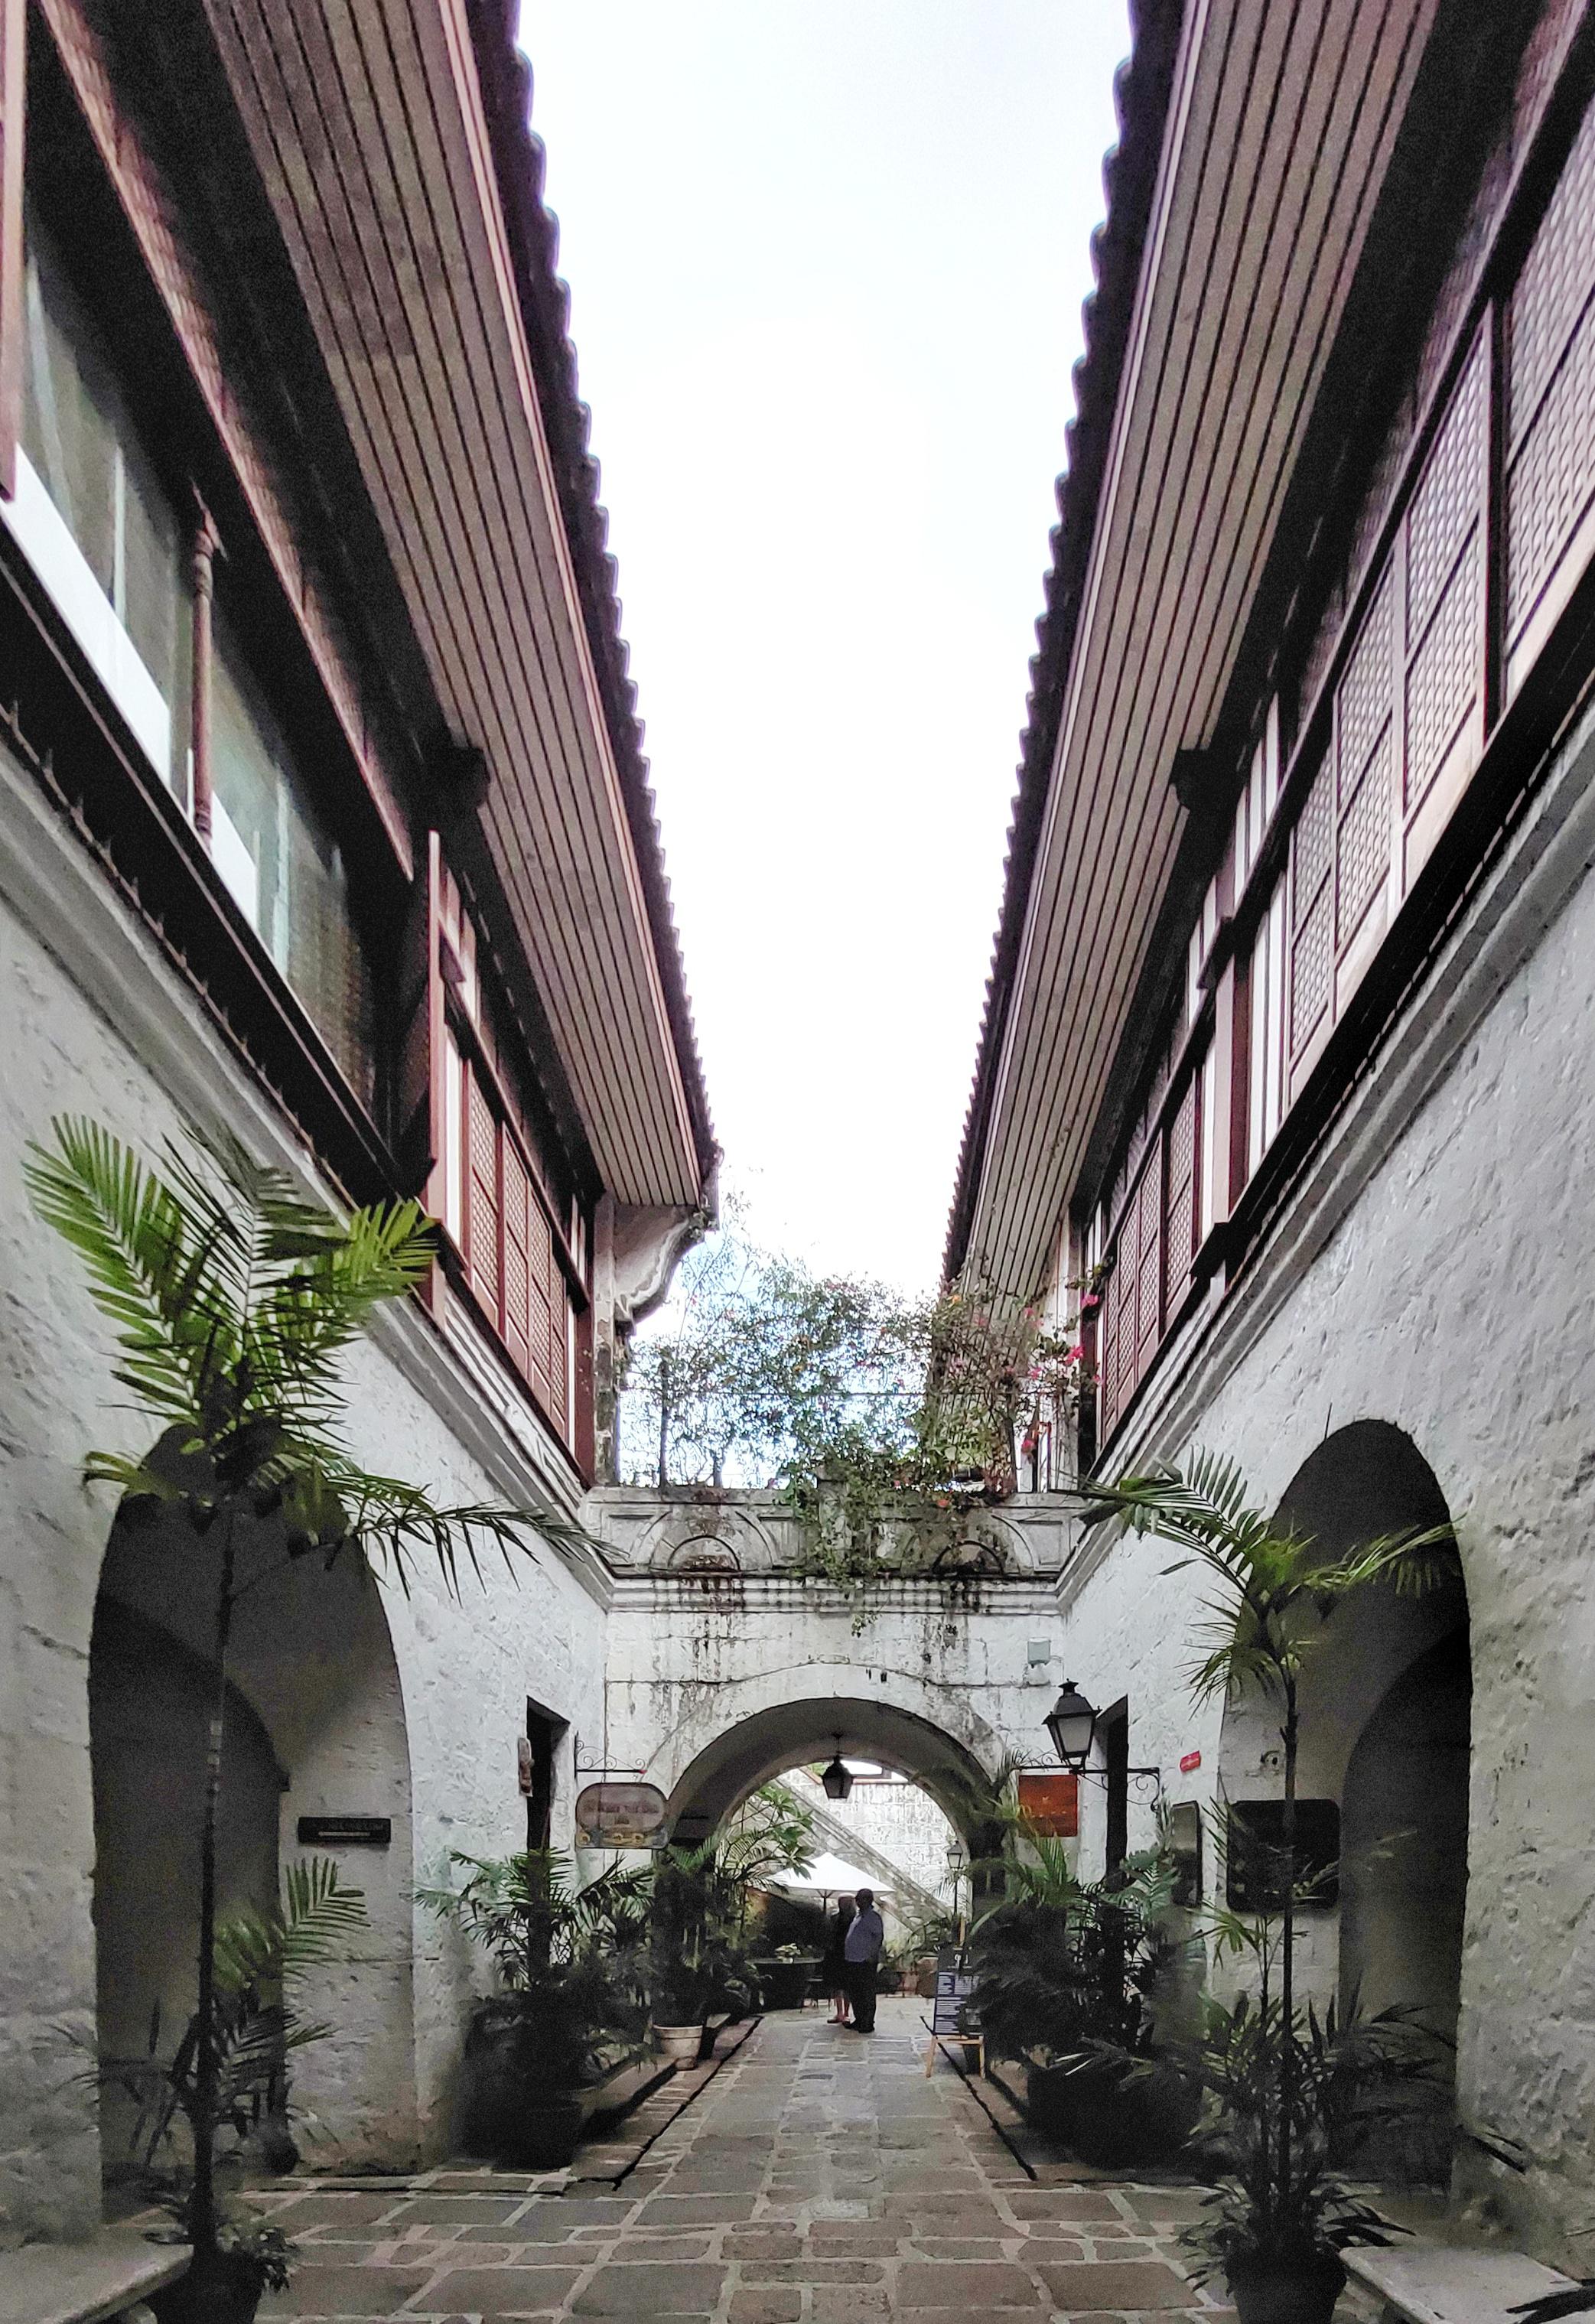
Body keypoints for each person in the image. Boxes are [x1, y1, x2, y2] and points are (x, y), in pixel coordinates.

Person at [842, 1886, 884, 2033]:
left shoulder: (873, 1917)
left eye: (860, 1899)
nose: (857, 1901)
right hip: (853, 1960)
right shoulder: (859, 1916)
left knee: (866, 1992)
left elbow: (878, 1937)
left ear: (867, 1900)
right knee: (855, 1992)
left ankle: (867, 2022)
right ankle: (859, 2019)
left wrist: (871, 1955)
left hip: (864, 1961)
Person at [822, 1896, 855, 2024]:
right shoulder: (835, 1918)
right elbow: (829, 1935)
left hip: (847, 1955)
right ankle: (840, 2013)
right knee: (837, 1985)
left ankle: (846, 2013)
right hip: (836, 1955)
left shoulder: (854, 1920)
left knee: (846, 1986)